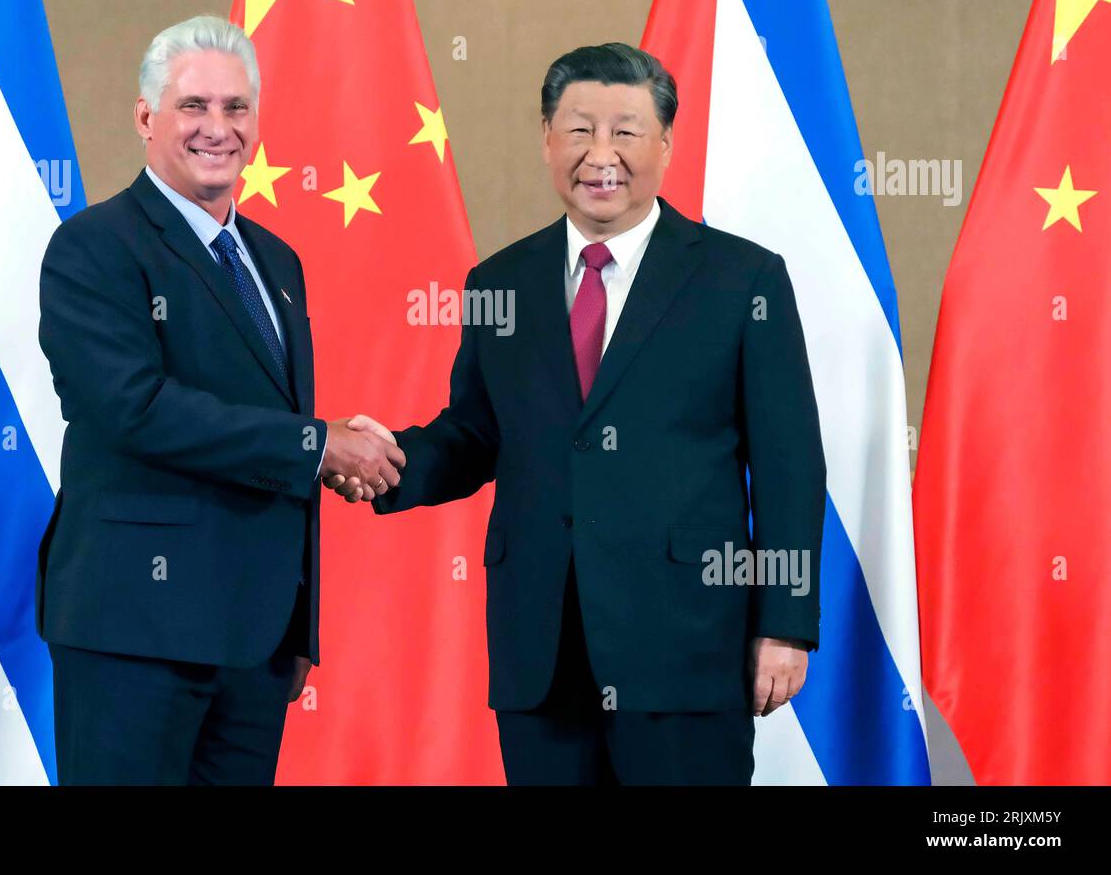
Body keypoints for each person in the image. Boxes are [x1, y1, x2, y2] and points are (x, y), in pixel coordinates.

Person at [327, 42, 825, 785]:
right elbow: (478, 433)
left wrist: (785, 626)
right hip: (543, 648)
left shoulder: (741, 278)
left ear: (665, 141)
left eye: (626, 131)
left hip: (684, 647)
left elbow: (789, 463)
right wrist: (389, 459)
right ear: (546, 138)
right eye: (579, 129)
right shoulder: (500, 281)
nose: (602, 154)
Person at [35, 14, 402, 785]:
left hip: (255, 643)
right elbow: (136, 408)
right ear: (145, 117)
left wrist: (299, 620)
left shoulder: (277, 262)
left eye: (236, 108)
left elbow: (275, 432)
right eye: (193, 106)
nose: (217, 128)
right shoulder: (95, 248)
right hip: (135, 632)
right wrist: (318, 445)